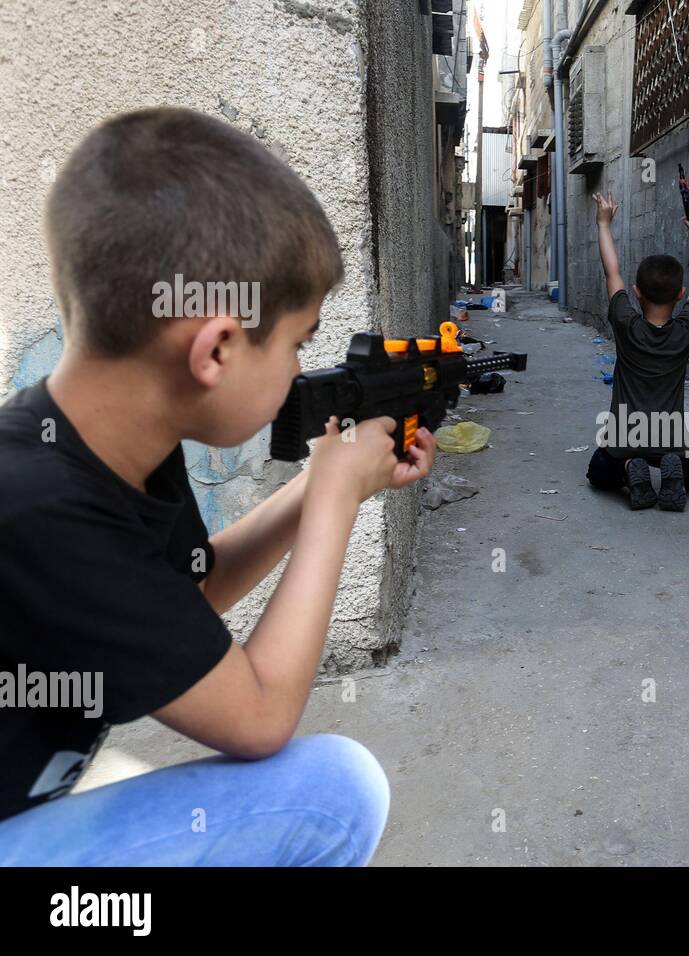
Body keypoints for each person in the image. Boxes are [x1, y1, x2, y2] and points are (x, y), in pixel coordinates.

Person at [0, 107, 436, 865]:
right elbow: (261, 713)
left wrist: (322, 488)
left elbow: (187, 596)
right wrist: (334, 503)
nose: (301, 370)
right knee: (333, 791)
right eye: (297, 344)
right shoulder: (39, 508)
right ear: (216, 350)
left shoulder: (101, 445)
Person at [585, 191, 689, 511]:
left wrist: (604, 223)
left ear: (637, 293)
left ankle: (630, 468)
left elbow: (611, 272)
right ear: (680, 295)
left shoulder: (627, 325)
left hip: (625, 439)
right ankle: (673, 467)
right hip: (670, 439)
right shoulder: (686, 329)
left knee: (598, 472)